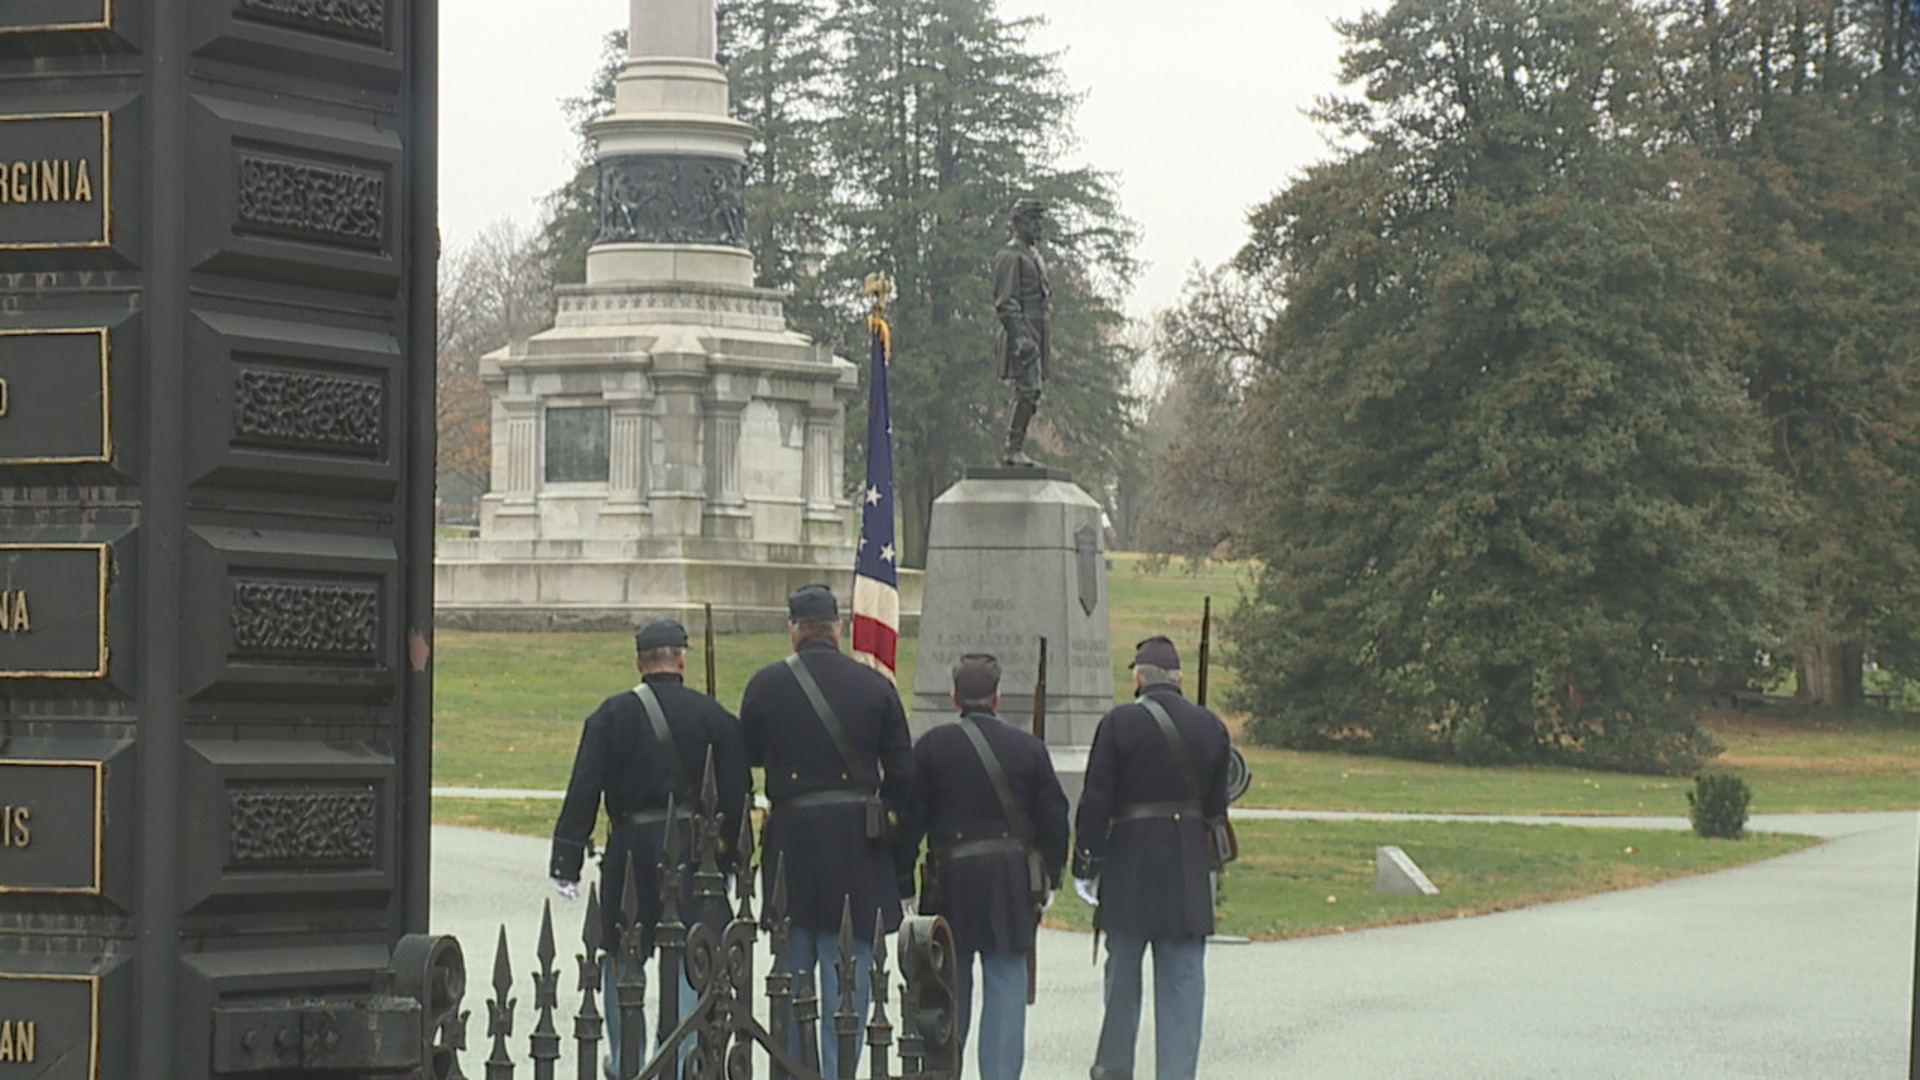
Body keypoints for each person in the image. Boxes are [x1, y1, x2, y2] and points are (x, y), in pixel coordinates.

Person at [549, 618, 751, 1079]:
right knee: (689, 963)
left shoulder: (612, 714)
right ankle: (679, 1064)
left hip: (632, 848)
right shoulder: (713, 717)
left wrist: (568, 858)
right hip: (694, 852)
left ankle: (627, 1064)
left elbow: (585, 787)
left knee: (627, 962)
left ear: (640, 662)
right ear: (681, 659)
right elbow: (737, 795)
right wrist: (732, 859)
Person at [739, 584, 914, 1076]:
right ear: (838, 628)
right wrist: (890, 827)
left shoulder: (765, 685)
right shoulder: (876, 687)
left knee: (793, 984)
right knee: (848, 988)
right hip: (858, 849)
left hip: (791, 846)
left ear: (793, 629)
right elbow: (903, 774)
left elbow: (747, 756)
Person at [897, 653, 1069, 1080]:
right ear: (998, 698)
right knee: (1007, 983)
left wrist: (903, 877)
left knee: (949, 985)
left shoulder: (933, 747)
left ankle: (945, 1068)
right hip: (1011, 879)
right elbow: (1054, 818)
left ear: (955, 697)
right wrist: (1051, 873)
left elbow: (911, 817)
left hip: (950, 878)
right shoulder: (1028, 747)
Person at [1074, 635, 1231, 1080]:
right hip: (1185, 860)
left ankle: (1114, 1066)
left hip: (1130, 861)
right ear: (1179, 680)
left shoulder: (1119, 723)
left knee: (1122, 975)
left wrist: (1087, 861)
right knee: (1182, 980)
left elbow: (1097, 798)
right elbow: (1217, 806)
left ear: (1139, 678)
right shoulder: (1211, 725)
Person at [992, 197, 1052, 468]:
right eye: (1032, 220)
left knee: (1031, 391)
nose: (1038, 225)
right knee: (1028, 389)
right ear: (1018, 223)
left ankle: (1015, 448)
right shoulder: (1010, 256)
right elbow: (1006, 301)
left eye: (1039, 220)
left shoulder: (1034, 256)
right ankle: (1012, 448)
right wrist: (1021, 337)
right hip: (1023, 334)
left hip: (1037, 331)